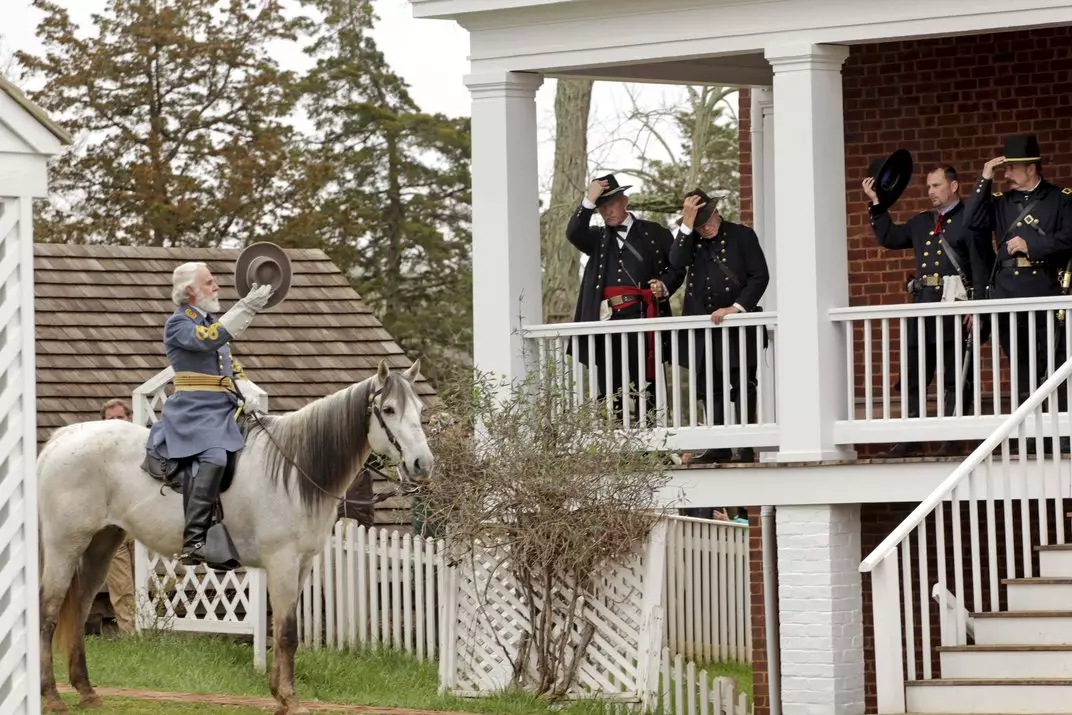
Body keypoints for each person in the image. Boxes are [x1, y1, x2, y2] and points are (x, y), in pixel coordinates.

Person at [146, 262, 273, 567]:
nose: (217, 287)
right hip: (194, 410)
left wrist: (244, 385)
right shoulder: (179, 324)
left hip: (222, 406)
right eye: (210, 282)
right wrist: (245, 309)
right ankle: (195, 541)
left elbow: (226, 363)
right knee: (214, 457)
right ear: (190, 290)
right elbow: (208, 339)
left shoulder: (208, 319)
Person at [865, 165, 996, 457]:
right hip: (924, 304)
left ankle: (952, 436)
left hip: (955, 306)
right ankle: (911, 436)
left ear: (953, 187)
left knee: (954, 374)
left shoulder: (969, 219)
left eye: (936, 186)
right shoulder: (922, 222)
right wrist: (876, 202)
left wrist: (979, 307)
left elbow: (981, 264)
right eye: (928, 187)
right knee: (914, 373)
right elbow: (890, 237)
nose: (931, 192)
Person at [963, 135, 1072, 441]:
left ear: (1032, 169)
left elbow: (1069, 237)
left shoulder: (1060, 199)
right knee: (1021, 369)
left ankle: (1061, 435)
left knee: (1054, 366)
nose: (1006, 173)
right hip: (1008, 293)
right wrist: (985, 178)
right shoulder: (1000, 202)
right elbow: (970, 221)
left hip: (1044, 289)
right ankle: (1029, 437)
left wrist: (1031, 244)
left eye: (1012, 168)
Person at [566, 174, 685, 421]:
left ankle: (651, 444)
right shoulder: (596, 237)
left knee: (646, 385)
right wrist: (589, 199)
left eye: (611, 205)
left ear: (625, 202)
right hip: (607, 322)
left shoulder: (655, 233)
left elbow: (676, 268)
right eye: (601, 208)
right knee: (611, 387)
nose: (607, 212)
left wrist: (663, 286)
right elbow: (573, 232)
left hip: (643, 318)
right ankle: (619, 449)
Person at [669, 189, 769, 466]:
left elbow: (760, 276)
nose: (707, 227)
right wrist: (687, 225)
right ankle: (717, 446)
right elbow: (675, 262)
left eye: (708, 219)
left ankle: (746, 443)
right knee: (708, 387)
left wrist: (735, 308)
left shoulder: (741, 235)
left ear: (716, 212)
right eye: (700, 224)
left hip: (736, 324)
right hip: (704, 328)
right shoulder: (692, 240)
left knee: (743, 384)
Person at [100, 398, 136, 634]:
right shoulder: (96, 453)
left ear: (129, 419)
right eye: (110, 419)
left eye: (119, 418)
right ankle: (130, 634)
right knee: (121, 583)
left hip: (143, 522)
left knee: (148, 578)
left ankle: (154, 626)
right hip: (113, 525)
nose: (115, 423)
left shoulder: (142, 446)